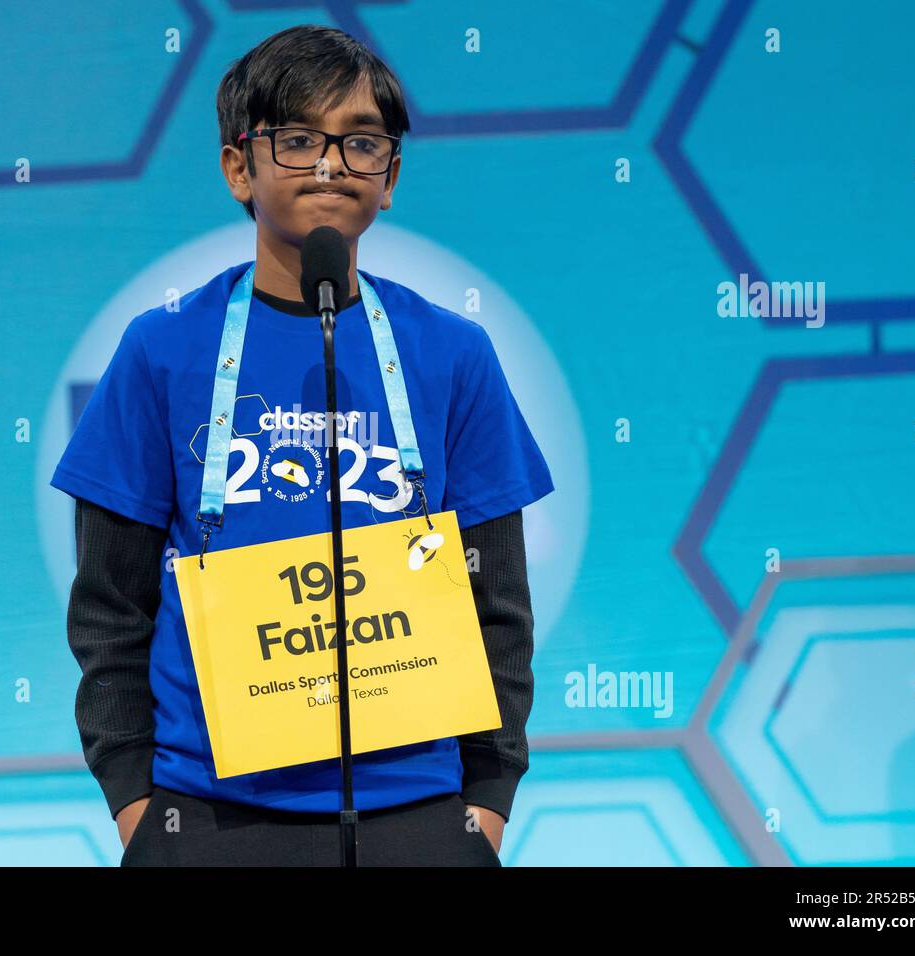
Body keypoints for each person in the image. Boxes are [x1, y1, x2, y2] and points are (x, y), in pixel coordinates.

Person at [51, 24, 554, 866]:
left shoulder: (453, 353)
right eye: (297, 139)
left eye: (360, 142)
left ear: (389, 176)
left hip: (420, 811)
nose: (330, 164)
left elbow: (497, 601)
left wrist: (485, 803)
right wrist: (137, 800)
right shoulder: (161, 348)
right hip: (207, 817)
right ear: (238, 166)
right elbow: (109, 605)